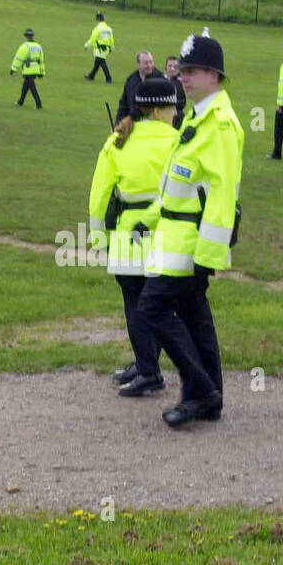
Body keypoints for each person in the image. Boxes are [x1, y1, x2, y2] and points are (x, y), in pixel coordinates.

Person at [137, 28, 244, 428]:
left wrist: (208, 255)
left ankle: (200, 389)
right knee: (195, 316)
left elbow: (221, 196)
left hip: (190, 244)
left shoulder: (220, 125)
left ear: (214, 75)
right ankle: (207, 398)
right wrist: (147, 220)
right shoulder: (198, 116)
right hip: (175, 238)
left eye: (194, 70)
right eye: (183, 69)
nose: (183, 76)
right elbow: (180, 185)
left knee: (152, 307)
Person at [90, 77, 179, 397]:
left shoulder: (118, 139)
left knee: (135, 303)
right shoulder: (178, 140)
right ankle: (146, 364)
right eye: (172, 106)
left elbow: (99, 192)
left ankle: (148, 370)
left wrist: (97, 235)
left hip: (128, 234)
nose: (176, 111)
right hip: (167, 231)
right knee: (156, 303)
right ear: (157, 110)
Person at [115, 51, 159, 123]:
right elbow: (124, 105)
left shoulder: (160, 80)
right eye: (146, 63)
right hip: (133, 124)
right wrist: (118, 123)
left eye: (151, 62)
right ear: (138, 65)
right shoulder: (131, 80)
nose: (149, 65)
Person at [10, 27, 46, 109]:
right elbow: (41, 60)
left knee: (32, 88)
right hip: (36, 70)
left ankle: (39, 104)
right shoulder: (38, 46)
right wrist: (41, 72)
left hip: (28, 70)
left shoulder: (25, 46)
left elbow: (19, 58)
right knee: (25, 86)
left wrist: (13, 68)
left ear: (26, 36)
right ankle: (20, 102)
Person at [84, 12, 115, 83]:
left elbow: (93, 38)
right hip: (106, 48)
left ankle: (108, 78)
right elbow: (111, 39)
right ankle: (91, 76)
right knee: (97, 63)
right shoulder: (108, 28)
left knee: (102, 62)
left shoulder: (98, 28)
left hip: (99, 48)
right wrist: (112, 47)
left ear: (97, 19)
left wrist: (87, 45)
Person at [164, 55, 187, 128]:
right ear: (165, 68)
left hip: (176, 117)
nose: (172, 69)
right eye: (170, 66)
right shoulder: (163, 80)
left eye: (175, 66)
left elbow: (181, 103)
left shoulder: (180, 83)